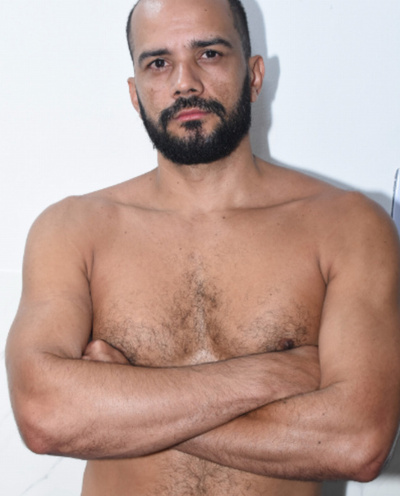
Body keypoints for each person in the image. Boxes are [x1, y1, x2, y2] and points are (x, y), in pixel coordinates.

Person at [6, 0, 400, 494]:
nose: (185, 82)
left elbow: (358, 441)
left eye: (209, 54)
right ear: (135, 93)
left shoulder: (347, 226)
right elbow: (44, 415)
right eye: (158, 63)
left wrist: (121, 407)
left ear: (254, 76)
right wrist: (268, 375)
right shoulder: (72, 229)